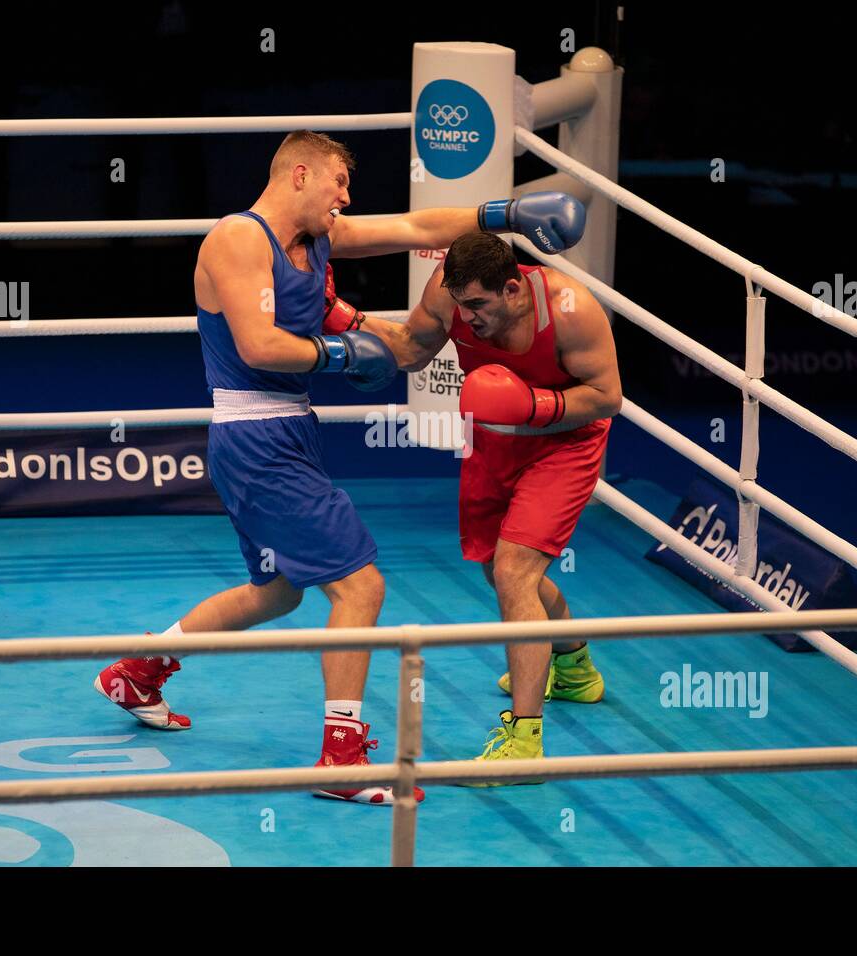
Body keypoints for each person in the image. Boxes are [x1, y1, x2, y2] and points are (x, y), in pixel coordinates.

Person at [94, 130, 585, 804]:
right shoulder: (239, 240)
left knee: (279, 592)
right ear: (300, 174)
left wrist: (500, 215)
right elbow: (260, 345)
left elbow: (415, 227)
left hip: (286, 429)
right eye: (338, 184)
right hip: (255, 434)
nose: (345, 199)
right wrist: (341, 353)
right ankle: (342, 760)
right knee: (362, 589)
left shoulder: (318, 239)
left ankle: (137, 671)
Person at [326, 230, 621, 783]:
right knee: (496, 566)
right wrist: (345, 319)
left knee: (515, 570)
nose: (468, 318)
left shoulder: (570, 308)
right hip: (493, 438)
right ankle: (574, 665)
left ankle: (524, 742)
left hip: (565, 442)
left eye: (479, 305)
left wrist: (534, 404)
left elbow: (606, 396)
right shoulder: (450, 292)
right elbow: (413, 350)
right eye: (461, 305)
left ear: (513, 289)